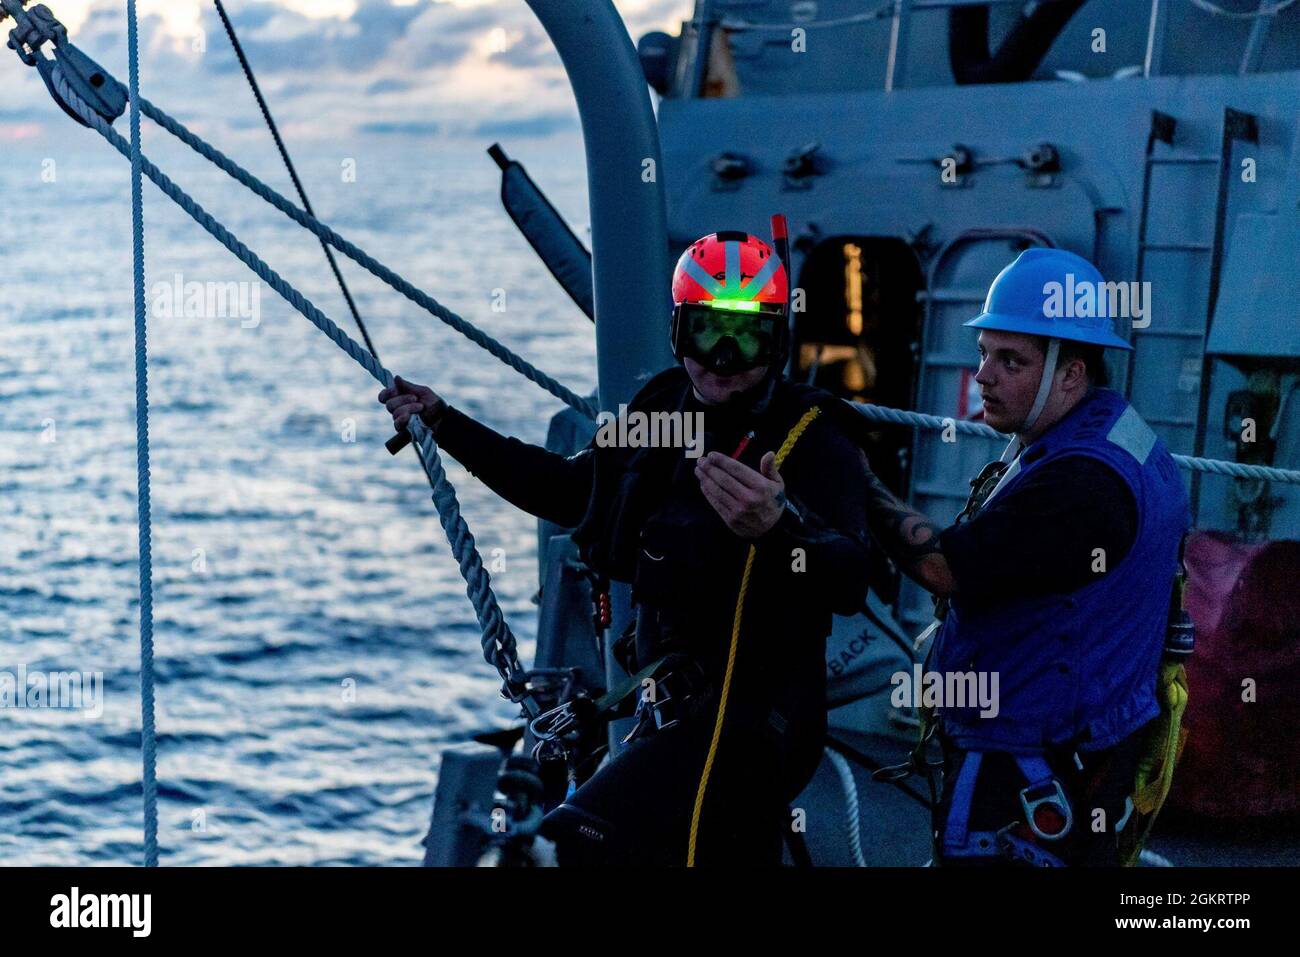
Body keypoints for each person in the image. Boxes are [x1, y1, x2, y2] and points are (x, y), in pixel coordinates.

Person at [379, 230, 874, 865]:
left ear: (778, 340)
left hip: (755, 725)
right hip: (671, 712)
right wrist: (447, 424)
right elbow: (566, 488)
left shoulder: (812, 437)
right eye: (706, 333)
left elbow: (850, 578)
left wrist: (775, 530)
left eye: (747, 336)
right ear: (677, 333)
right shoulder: (660, 409)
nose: (724, 358)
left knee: (569, 844)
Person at [859, 247, 1190, 866]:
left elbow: (942, 567)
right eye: (984, 352)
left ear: (1073, 372)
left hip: (1029, 768)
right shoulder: (1121, 436)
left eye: (1010, 360)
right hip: (1090, 754)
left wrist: (853, 482)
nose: (983, 375)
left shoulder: (1083, 483)